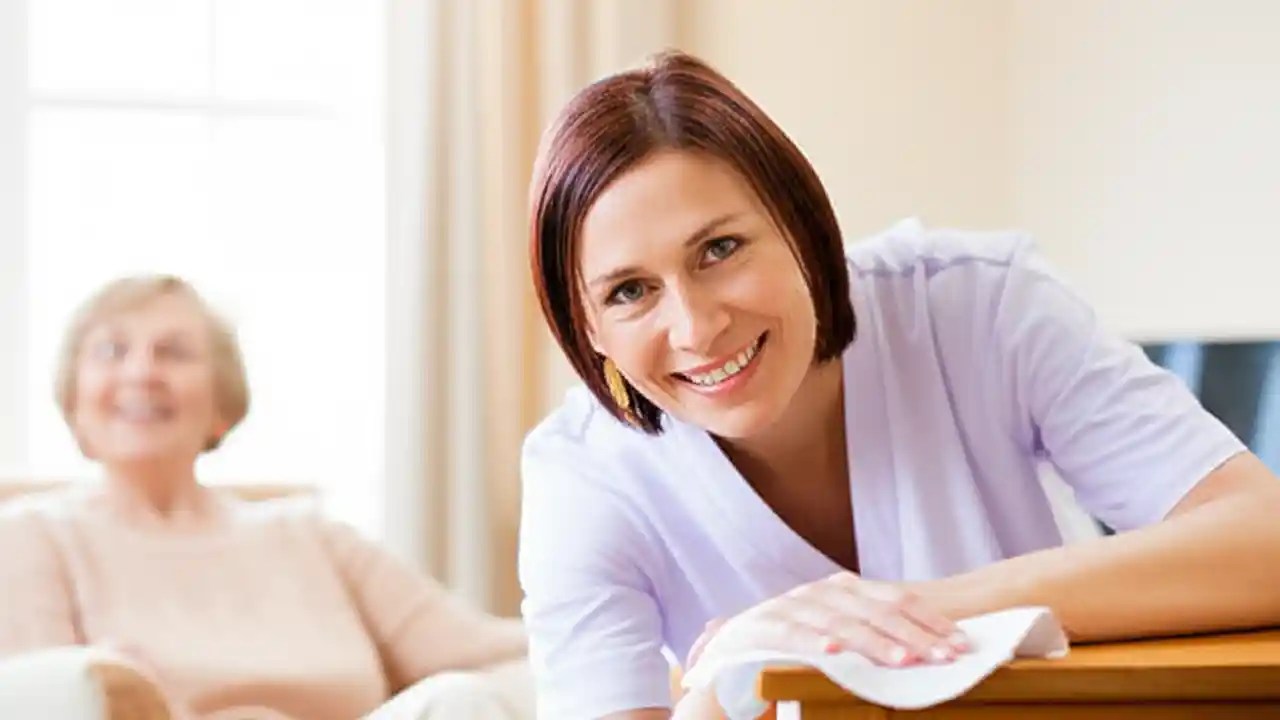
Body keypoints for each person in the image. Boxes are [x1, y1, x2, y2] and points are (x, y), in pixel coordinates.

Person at [518, 50, 1280, 719]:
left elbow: (1263, 541)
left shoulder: (979, 305)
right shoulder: (582, 478)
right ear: (587, 330)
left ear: (799, 223)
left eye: (719, 248)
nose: (694, 326)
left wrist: (907, 614)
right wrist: (727, 679)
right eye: (628, 292)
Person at [0, 276, 530, 720]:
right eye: (111, 351)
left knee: (460, 702)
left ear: (222, 403)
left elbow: (486, 649)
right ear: (74, 401)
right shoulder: (32, 536)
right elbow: (39, 692)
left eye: (174, 352)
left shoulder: (310, 535)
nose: (141, 371)